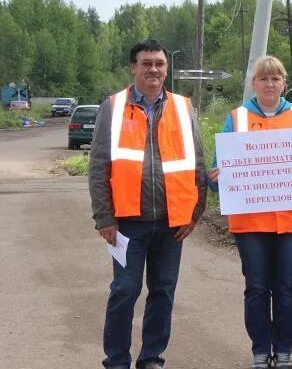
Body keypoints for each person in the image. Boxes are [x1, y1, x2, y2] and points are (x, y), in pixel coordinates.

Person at [207, 55, 292, 369]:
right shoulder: (236, 118)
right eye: (263, 79)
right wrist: (215, 179)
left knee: (285, 287)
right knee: (256, 287)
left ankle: (283, 351)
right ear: (254, 83)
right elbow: (219, 170)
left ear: (283, 83)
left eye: (275, 78)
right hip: (250, 221)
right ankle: (259, 351)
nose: (269, 84)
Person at [89, 39, 207, 369]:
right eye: (146, 63)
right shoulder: (112, 108)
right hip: (127, 223)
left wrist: (195, 212)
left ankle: (151, 358)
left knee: (163, 293)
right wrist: (104, 217)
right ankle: (116, 360)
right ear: (133, 67)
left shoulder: (184, 108)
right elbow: (99, 165)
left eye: (159, 63)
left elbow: (198, 162)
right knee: (125, 291)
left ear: (166, 69)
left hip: (173, 224)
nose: (153, 69)